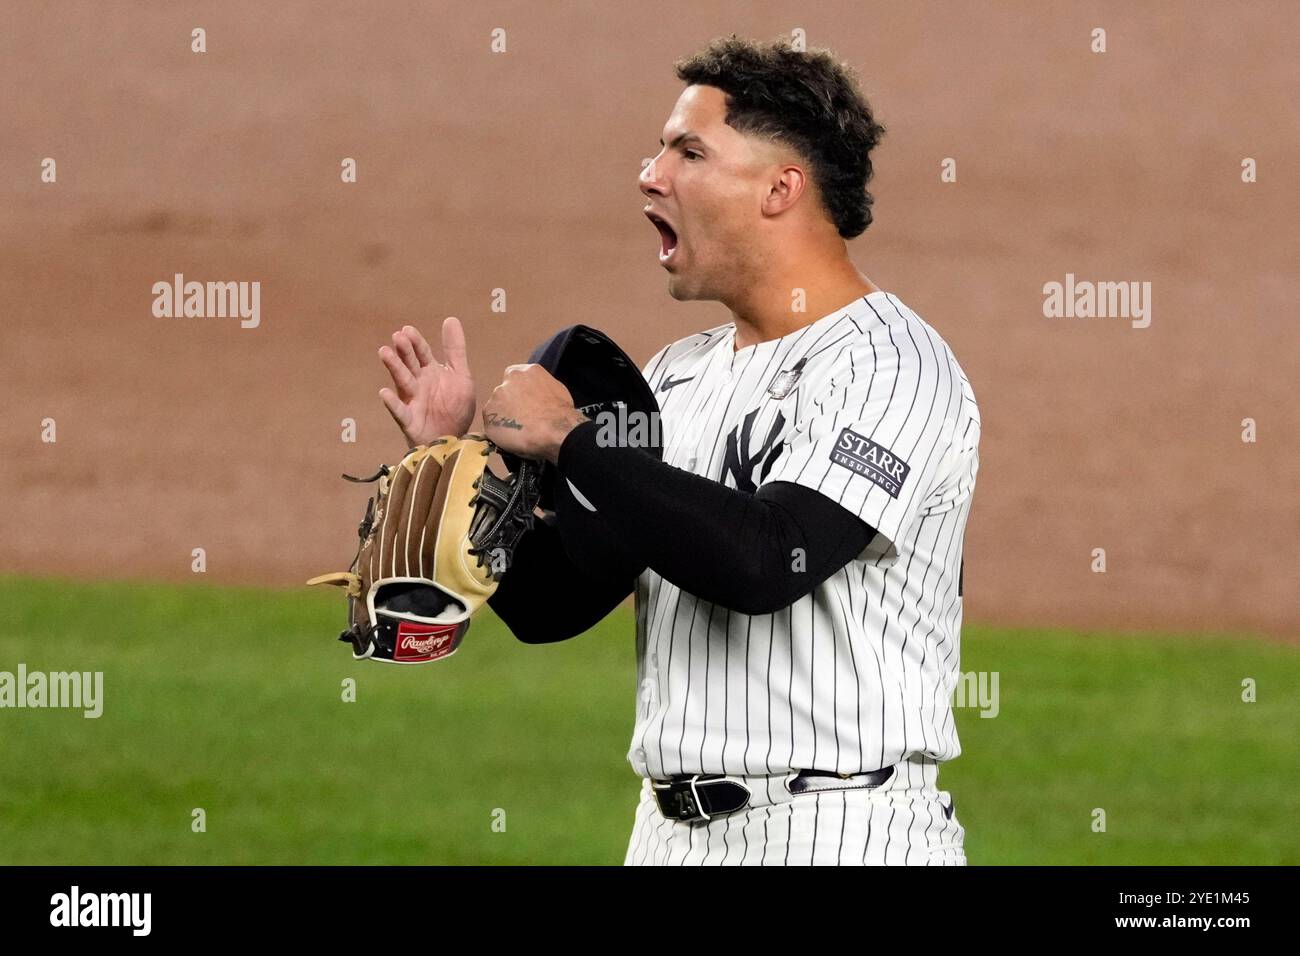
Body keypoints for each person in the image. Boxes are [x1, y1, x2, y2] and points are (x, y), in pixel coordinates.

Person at [379, 36, 979, 866]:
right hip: (665, 839)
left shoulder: (890, 365)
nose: (650, 173)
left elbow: (769, 559)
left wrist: (572, 442)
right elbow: (554, 605)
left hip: (839, 830)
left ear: (780, 188)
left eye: (688, 151)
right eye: (660, 148)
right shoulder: (677, 377)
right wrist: (456, 462)